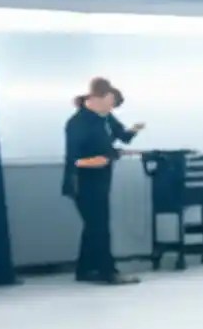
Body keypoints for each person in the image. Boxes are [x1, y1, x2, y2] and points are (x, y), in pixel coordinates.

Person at [62, 77, 145, 285]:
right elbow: (76, 160)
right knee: (98, 226)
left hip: (101, 180)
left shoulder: (105, 118)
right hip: (82, 182)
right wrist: (99, 160)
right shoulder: (77, 123)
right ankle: (107, 272)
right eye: (111, 103)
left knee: (93, 225)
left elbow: (118, 138)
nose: (112, 108)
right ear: (100, 97)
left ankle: (84, 270)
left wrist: (130, 135)